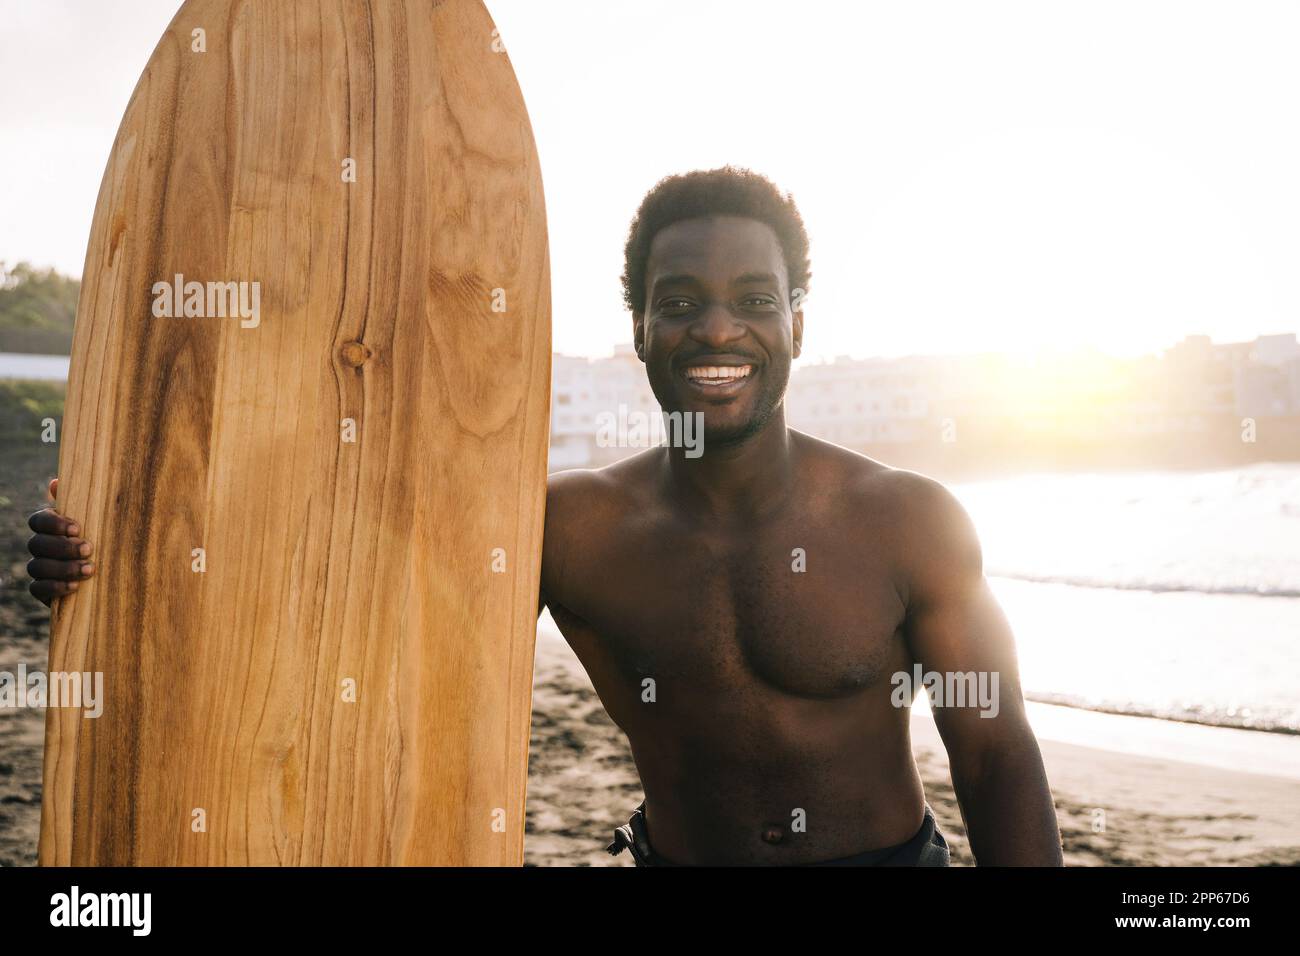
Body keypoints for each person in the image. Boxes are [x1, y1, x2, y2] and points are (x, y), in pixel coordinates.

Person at [28, 165, 1063, 866]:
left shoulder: (909, 520)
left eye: (754, 297)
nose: (716, 325)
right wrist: (108, 564)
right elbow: (343, 637)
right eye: (680, 298)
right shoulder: (566, 529)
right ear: (640, 329)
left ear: (796, 322)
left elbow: (995, 751)